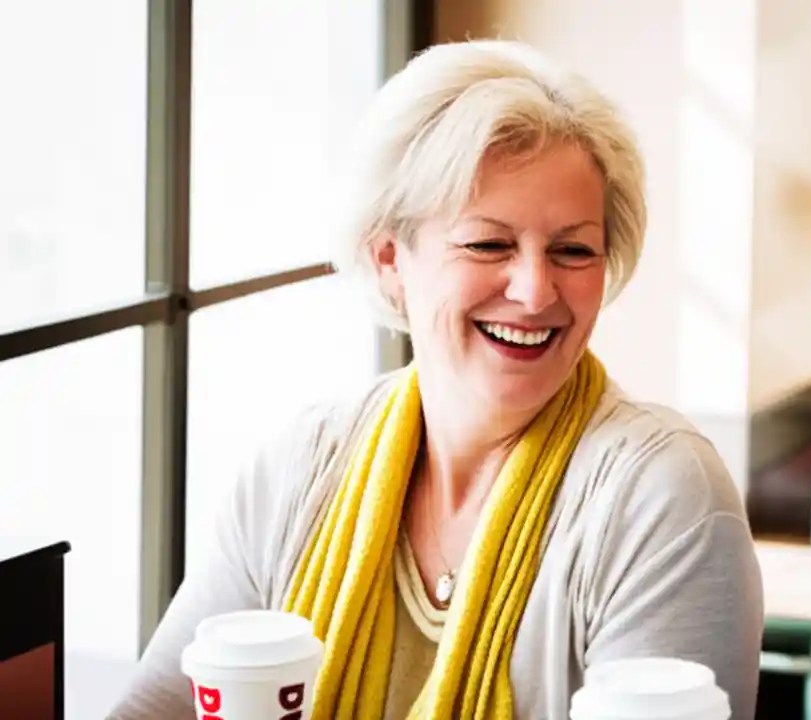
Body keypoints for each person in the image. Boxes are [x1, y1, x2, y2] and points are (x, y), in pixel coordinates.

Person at [112, 40, 763, 719]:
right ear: (390, 258)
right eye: (488, 243)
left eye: (573, 250)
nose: (535, 291)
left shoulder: (660, 495)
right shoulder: (301, 467)